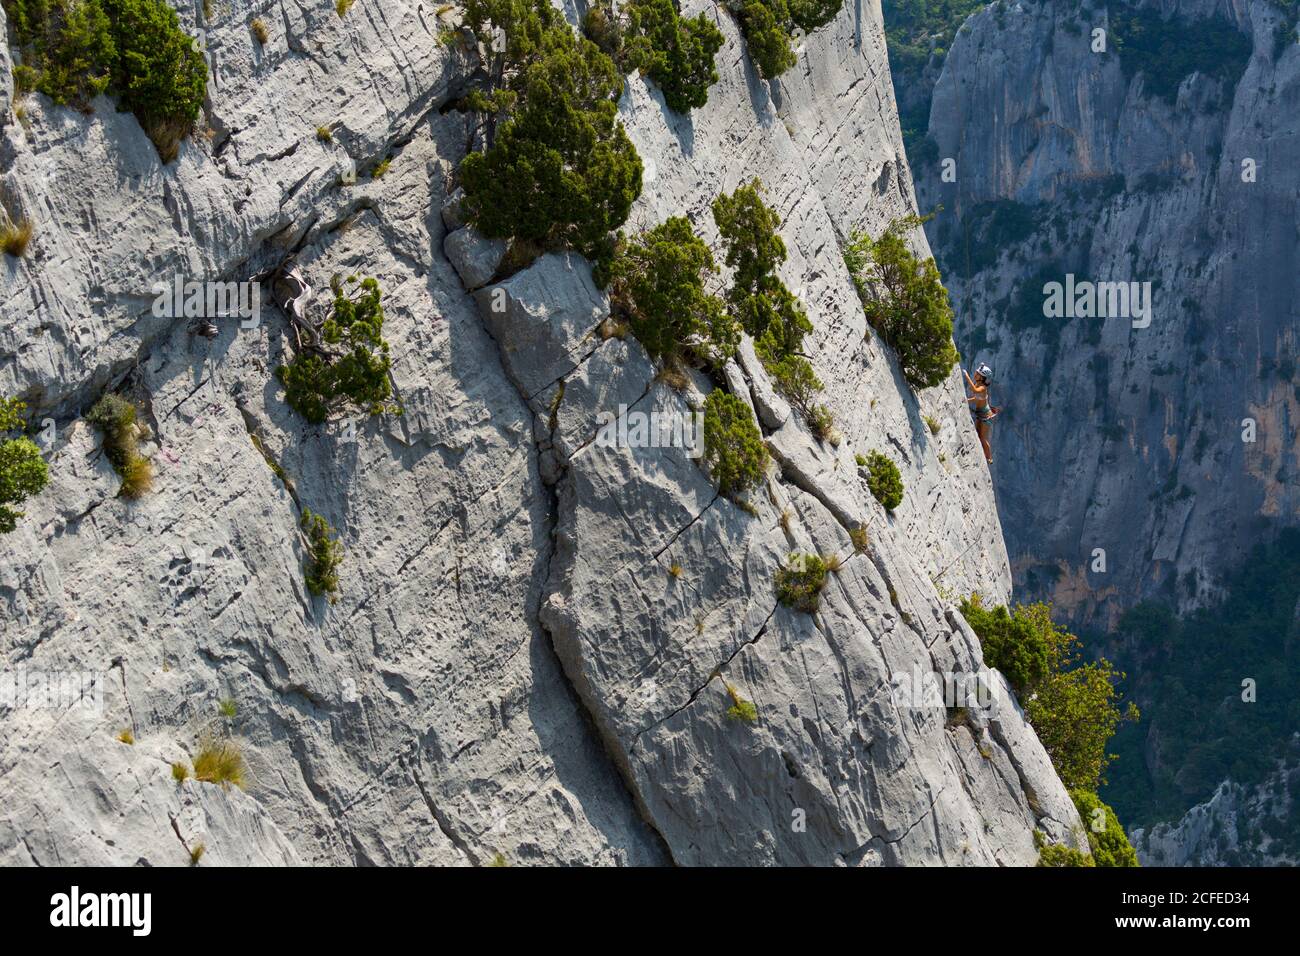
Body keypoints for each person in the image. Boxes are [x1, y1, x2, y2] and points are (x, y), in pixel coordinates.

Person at [964, 362, 999, 465]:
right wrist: (967, 400)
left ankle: (989, 458)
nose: (975, 374)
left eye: (977, 374)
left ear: (982, 377)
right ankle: (983, 456)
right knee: (978, 436)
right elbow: (977, 398)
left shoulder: (982, 387)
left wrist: (966, 376)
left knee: (983, 438)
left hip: (986, 417)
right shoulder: (978, 384)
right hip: (981, 415)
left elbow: (975, 390)